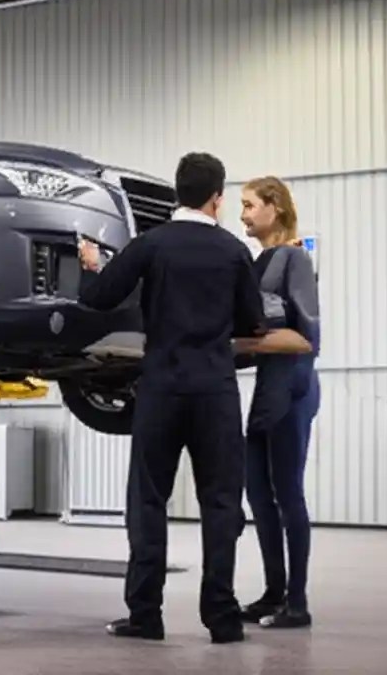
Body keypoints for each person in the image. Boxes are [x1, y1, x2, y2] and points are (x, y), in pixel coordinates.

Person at [77, 152, 266, 645]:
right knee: (222, 504)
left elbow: (99, 296)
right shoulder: (232, 251)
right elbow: (252, 323)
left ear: (178, 193)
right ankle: (222, 618)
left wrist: (92, 265)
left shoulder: (151, 244)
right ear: (217, 198)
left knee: (148, 501)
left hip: (160, 388)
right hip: (215, 392)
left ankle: (145, 616)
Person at [233, 176, 321, 630]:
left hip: (294, 386)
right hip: (269, 386)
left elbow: (308, 338)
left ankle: (298, 602)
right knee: (258, 494)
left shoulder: (294, 259)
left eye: (249, 205)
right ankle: (273, 591)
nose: (243, 213)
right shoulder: (257, 261)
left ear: (275, 208)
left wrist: (241, 344)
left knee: (287, 493)